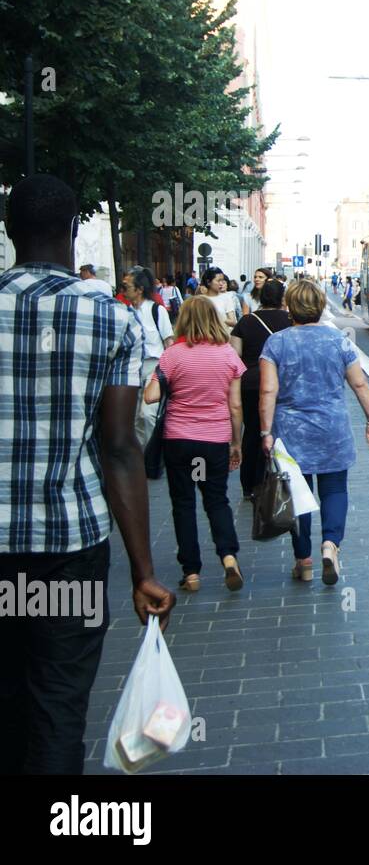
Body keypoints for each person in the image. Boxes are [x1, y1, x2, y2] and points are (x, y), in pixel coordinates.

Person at [1, 175, 174, 774]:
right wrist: (144, 573)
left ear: (8, 230)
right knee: (59, 708)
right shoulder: (112, 318)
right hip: (69, 548)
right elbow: (121, 449)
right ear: (75, 231)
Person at [260, 280, 369, 584]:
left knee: (297, 495)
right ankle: (330, 544)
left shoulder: (276, 343)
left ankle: (304, 561)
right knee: (335, 490)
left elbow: (268, 390)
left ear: (290, 307)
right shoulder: (338, 340)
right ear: (320, 304)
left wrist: (265, 431)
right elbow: (359, 384)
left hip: (291, 434)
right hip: (332, 429)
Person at [144, 297, 245, 592]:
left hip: (179, 441)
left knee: (184, 504)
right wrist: (236, 443)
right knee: (216, 500)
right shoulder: (227, 355)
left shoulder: (172, 355)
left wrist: (158, 378)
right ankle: (228, 556)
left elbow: (151, 396)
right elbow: (236, 406)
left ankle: (191, 573)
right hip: (213, 442)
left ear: (184, 320)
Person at [231, 278, 291, 499]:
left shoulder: (246, 321)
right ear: (282, 298)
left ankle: (249, 485)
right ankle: (273, 479)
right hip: (278, 383)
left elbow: (234, 356)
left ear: (260, 297)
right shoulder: (290, 321)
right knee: (275, 433)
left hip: (249, 383)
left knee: (252, 434)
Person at [121, 265, 175, 448]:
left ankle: (150, 452)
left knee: (148, 414)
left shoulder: (156, 311)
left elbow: (169, 342)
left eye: (127, 287)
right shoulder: (125, 313)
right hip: (132, 370)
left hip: (154, 368)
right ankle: (140, 457)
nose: (123, 291)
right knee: (134, 417)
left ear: (139, 289)